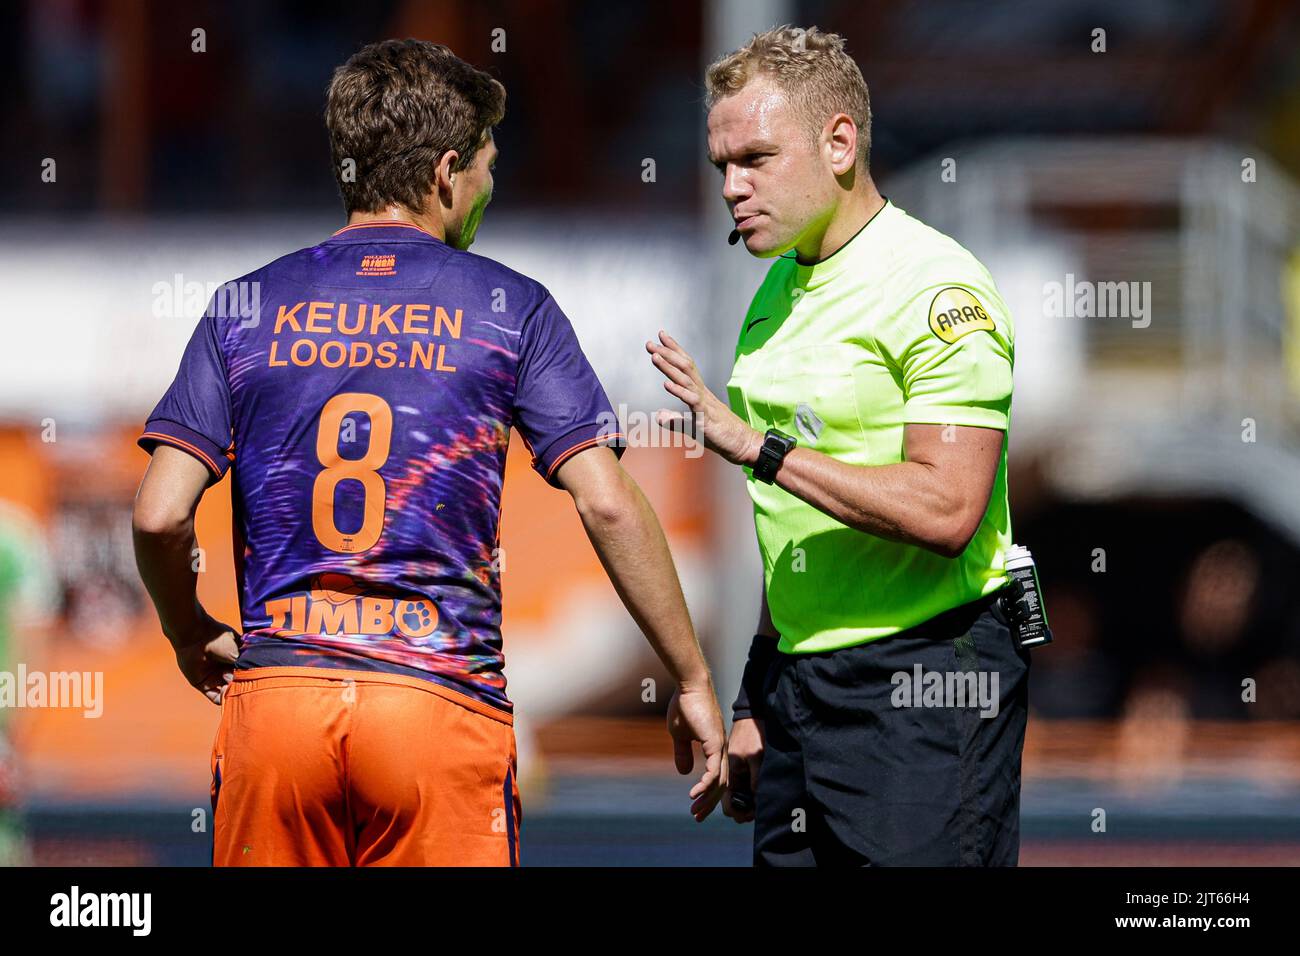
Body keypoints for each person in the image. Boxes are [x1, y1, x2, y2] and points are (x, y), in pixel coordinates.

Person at [132, 38, 725, 867]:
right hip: (435, 704)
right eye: (487, 164)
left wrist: (186, 628)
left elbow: (159, 514)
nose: (491, 184)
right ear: (447, 172)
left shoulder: (245, 303)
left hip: (280, 706)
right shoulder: (510, 306)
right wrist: (692, 676)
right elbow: (607, 500)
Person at [648, 25, 1028, 865]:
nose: (732, 189)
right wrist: (757, 692)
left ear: (840, 142)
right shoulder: (774, 290)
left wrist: (760, 448)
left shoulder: (937, 286)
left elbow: (949, 509)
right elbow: (794, 531)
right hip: (798, 690)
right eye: (722, 168)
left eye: (755, 159)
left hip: (926, 677)